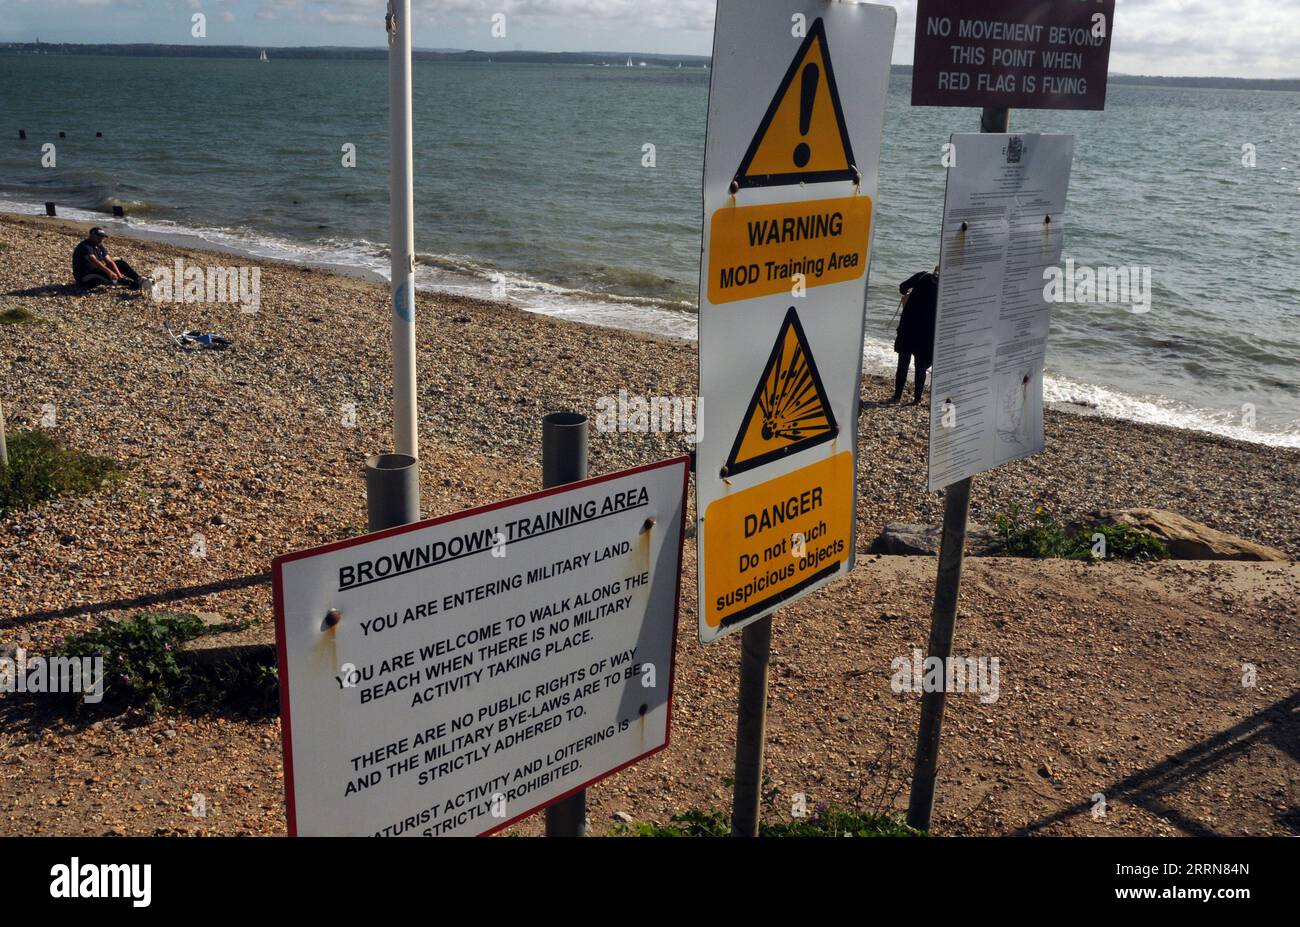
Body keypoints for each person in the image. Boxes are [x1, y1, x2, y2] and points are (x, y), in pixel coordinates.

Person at [890, 265, 939, 404]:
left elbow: (902, 287)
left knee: (903, 364)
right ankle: (916, 399)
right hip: (927, 333)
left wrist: (910, 292)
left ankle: (897, 397)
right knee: (921, 367)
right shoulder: (946, 287)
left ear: (934, 270)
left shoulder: (922, 276)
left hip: (908, 328)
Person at [72, 227, 148, 291]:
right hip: (85, 278)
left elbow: (110, 261)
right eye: (98, 237)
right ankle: (128, 284)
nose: (101, 239)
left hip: (96, 272)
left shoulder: (99, 245)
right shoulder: (85, 246)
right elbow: (94, 261)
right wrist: (110, 272)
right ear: (91, 235)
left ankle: (138, 279)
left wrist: (119, 276)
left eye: (102, 237)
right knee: (104, 273)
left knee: (119, 263)